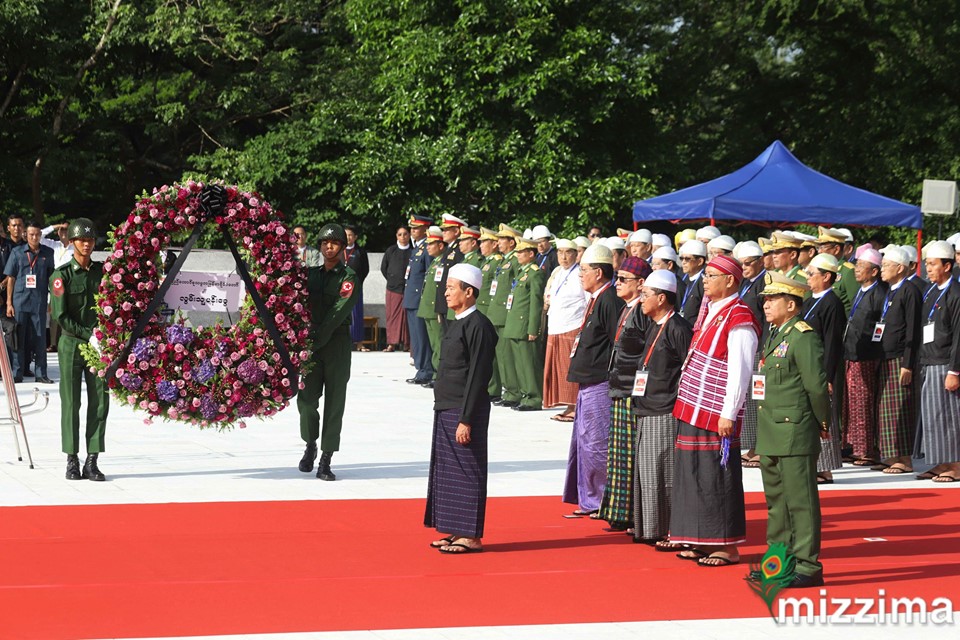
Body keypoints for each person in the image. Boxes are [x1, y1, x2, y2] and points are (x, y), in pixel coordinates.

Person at [670, 255, 759, 567]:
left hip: (715, 410)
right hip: (692, 405)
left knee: (715, 475)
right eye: (705, 275)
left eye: (711, 275)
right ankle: (696, 538)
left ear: (730, 280)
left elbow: (740, 369)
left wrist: (729, 411)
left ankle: (725, 545)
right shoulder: (709, 311)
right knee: (690, 472)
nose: (705, 281)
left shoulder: (740, 316)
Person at [754, 271, 830, 588]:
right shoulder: (774, 334)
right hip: (771, 428)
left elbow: (816, 386)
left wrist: (822, 421)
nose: (767, 304)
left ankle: (808, 566)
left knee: (800, 503)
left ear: (791, 304)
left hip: (794, 428)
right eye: (766, 299)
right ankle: (778, 564)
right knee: (777, 505)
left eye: (773, 300)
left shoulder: (803, 336)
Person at [425, 263, 498, 554]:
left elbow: (478, 375)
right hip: (447, 406)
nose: (446, 293)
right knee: (448, 471)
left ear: (469, 292)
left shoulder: (479, 325)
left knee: (468, 470)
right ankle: (455, 529)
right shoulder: (457, 322)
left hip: (464, 409)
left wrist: (466, 419)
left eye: (451, 288)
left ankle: (471, 535)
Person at [563, 243, 625, 516]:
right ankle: (589, 498)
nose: (580, 274)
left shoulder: (609, 300)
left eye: (584, 270)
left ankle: (601, 500)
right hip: (588, 382)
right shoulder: (597, 298)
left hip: (600, 383)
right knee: (585, 443)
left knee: (597, 444)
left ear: (599, 273)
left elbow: (618, 342)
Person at [633, 270, 692, 543]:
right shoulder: (654, 324)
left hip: (665, 409)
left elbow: (687, 370)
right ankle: (649, 528)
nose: (640, 299)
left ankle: (670, 529)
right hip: (646, 405)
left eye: (645, 294)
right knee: (646, 473)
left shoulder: (678, 328)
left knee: (663, 473)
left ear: (661, 298)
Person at [297, 223, 359, 481]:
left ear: (342, 247)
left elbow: (338, 313)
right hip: (311, 344)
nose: (328, 247)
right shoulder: (310, 274)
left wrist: (315, 339)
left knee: (335, 403)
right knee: (306, 401)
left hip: (336, 344)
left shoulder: (349, 278)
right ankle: (310, 443)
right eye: (324, 243)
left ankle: (326, 458)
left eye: (333, 243)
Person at [51, 218, 109, 481]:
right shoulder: (61, 276)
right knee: (71, 402)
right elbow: (61, 317)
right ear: (72, 242)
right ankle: (72, 460)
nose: (86, 244)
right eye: (81, 240)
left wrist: (104, 335)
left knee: (99, 402)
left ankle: (92, 460)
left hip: (98, 345)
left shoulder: (103, 273)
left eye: (90, 240)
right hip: (71, 344)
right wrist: (90, 335)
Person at [599, 256, 651, 531]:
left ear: (641, 283)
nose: (617, 284)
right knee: (618, 454)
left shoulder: (642, 311)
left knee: (630, 455)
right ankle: (619, 512)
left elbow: (646, 355)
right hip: (619, 387)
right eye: (617, 279)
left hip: (632, 390)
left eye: (623, 280)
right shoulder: (626, 308)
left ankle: (633, 514)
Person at [914, 241, 960, 482]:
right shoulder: (931, 291)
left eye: (932, 264)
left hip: (946, 362)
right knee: (932, 415)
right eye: (927, 264)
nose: (928, 269)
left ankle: (954, 465)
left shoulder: (956, 293)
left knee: (948, 415)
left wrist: (955, 371)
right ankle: (940, 461)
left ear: (947, 266)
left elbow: (959, 336)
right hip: (929, 360)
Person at [874, 246, 921, 474]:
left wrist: (908, 363)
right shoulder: (890, 290)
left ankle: (905, 459)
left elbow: (913, 329)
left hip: (901, 358)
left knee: (900, 408)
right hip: (886, 356)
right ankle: (892, 454)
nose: (882, 269)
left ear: (900, 268)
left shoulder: (909, 291)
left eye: (886, 265)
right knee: (887, 409)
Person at [802, 254, 846, 484]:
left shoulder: (833, 303)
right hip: (808, 366)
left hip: (822, 368)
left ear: (826, 276)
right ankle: (812, 463)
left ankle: (825, 468)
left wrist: (828, 376)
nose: (808, 278)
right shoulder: (809, 301)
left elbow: (832, 342)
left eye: (812, 274)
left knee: (824, 416)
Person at [841, 246, 887, 466]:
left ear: (874, 271)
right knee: (851, 404)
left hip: (866, 355)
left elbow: (880, 327)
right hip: (852, 352)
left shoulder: (879, 294)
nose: (857, 270)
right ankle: (854, 446)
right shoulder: (861, 291)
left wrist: (874, 351)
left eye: (861, 266)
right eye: (856, 266)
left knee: (864, 403)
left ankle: (867, 449)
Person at [5, 221, 55, 383]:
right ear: (26, 235)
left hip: (39, 302)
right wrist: (9, 303)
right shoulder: (17, 252)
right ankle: (17, 372)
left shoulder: (48, 253)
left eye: (37, 234)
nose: (34, 237)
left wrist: (51, 301)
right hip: (19, 301)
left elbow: (51, 279)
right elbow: (11, 278)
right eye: (31, 234)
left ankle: (41, 374)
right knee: (18, 338)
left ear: (41, 235)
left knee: (40, 339)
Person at [735, 241, 768, 469]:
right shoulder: (746, 283)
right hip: (746, 346)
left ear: (760, 262)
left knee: (759, 399)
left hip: (760, 348)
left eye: (748, 263)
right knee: (748, 397)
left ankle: (761, 447)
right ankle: (753, 445)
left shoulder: (765, 283)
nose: (744, 267)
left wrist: (766, 349)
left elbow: (767, 319)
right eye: (742, 264)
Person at [543, 239, 584, 422]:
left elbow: (588, 299)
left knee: (568, 368)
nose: (564, 256)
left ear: (576, 254)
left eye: (568, 252)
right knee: (558, 369)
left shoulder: (579, 274)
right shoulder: (558, 272)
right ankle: (567, 405)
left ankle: (575, 406)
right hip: (556, 326)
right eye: (560, 252)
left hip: (572, 325)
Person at [502, 238, 545, 411]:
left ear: (531, 254)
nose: (518, 255)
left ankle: (533, 398)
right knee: (519, 364)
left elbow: (536, 304)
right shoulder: (521, 272)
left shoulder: (535, 273)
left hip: (524, 325)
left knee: (528, 364)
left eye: (521, 252)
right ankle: (523, 394)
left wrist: (533, 328)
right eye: (517, 252)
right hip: (514, 324)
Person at [487, 224, 521, 406]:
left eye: (502, 239)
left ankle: (513, 392)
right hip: (497, 313)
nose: (498, 242)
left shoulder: (514, 261)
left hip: (506, 314)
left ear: (512, 242)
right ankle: (507, 391)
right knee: (500, 355)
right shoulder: (504, 261)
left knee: (507, 356)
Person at [403, 215, 434, 385]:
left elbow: (429, 274)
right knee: (415, 337)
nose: (412, 231)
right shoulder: (416, 248)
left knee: (422, 337)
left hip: (419, 299)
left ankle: (426, 370)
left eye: (416, 228)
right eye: (412, 228)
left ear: (425, 229)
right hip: (412, 298)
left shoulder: (427, 247)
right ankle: (420, 368)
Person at [475, 227, 503, 400]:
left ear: (493, 244)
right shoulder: (486, 262)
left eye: (484, 242)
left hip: (490, 308)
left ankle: (495, 388)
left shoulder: (496, 262)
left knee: (493, 352)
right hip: (484, 308)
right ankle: (489, 386)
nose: (481, 245)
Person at [417, 227, 447, 387]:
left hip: (435, 309)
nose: (427, 247)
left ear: (441, 246)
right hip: (427, 309)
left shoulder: (443, 262)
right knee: (434, 343)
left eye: (431, 244)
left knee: (439, 343)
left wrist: (439, 309)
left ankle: (439, 375)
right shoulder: (435, 262)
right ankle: (436, 373)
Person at [380, 225, 412, 352]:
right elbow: (384, 268)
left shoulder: (414, 251)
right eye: (400, 234)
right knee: (392, 316)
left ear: (409, 236)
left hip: (409, 289)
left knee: (408, 317)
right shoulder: (391, 251)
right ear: (396, 236)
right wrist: (392, 279)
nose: (403, 237)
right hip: (393, 289)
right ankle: (391, 344)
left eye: (405, 234)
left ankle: (407, 344)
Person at [435, 214, 466, 328]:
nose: (443, 232)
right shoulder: (448, 250)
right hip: (445, 302)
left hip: (452, 303)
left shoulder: (458, 250)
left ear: (456, 231)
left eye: (446, 230)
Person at [343, 224, 369, 351]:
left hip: (356, 286)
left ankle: (359, 343)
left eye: (350, 235)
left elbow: (365, 269)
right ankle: (343, 342)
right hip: (340, 288)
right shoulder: (338, 250)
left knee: (357, 314)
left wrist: (357, 282)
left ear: (355, 237)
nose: (348, 238)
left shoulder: (360, 252)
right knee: (341, 314)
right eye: (346, 235)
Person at [677, 239, 706, 321]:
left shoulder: (705, 281)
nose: (683, 262)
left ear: (700, 261)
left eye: (687, 259)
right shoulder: (684, 277)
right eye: (681, 258)